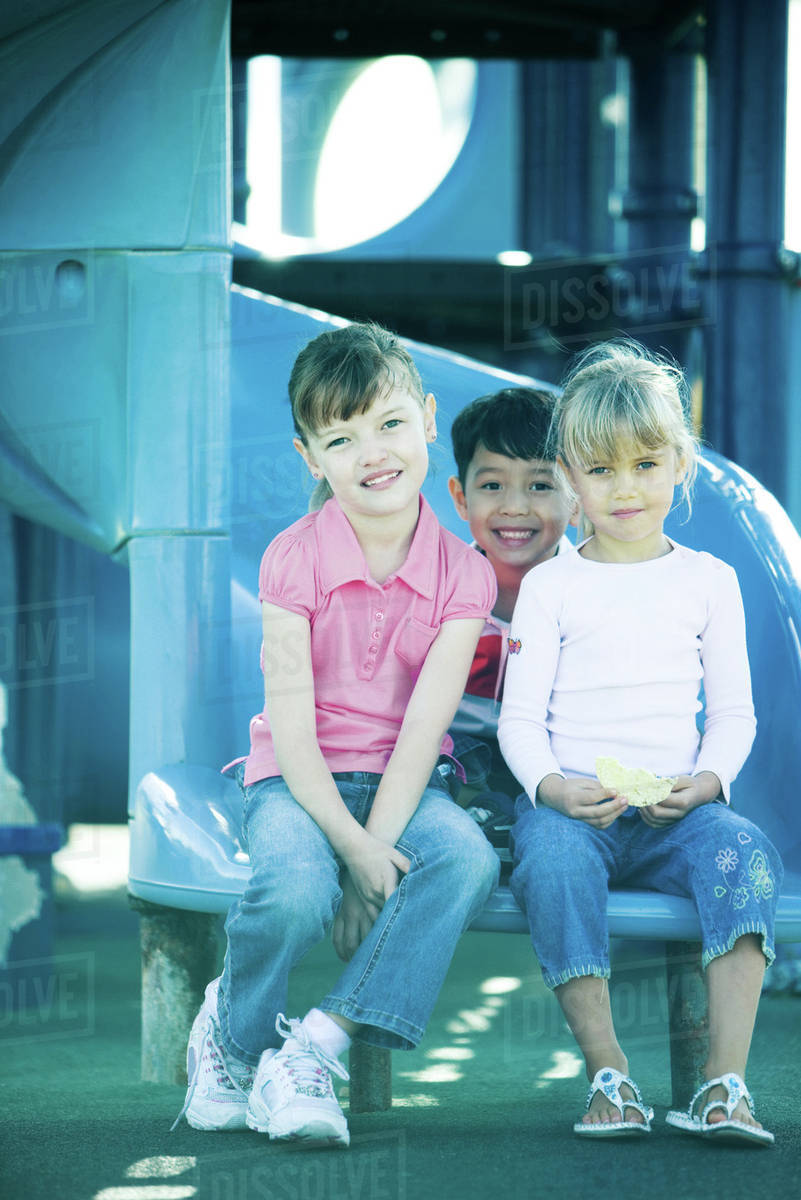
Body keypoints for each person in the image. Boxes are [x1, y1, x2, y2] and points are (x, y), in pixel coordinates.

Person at [174, 322, 500, 1146]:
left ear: (427, 418)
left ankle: (315, 1045)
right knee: (293, 887)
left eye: (390, 423)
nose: (373, 452)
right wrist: (354, 857)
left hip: (400, 782)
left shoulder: (464, 573)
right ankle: (234, 1036)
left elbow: (423, 730)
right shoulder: (293, 558)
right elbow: (290, 731)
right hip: (294, 777)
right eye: (340, 438)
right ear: (309, 456)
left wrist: (373, 852)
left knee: (466, 857)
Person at [498, 339, 783, 1145]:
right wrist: (551, 790)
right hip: (571, 810)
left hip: (676, 812)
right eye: (600, 469)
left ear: (679, 463)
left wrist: (707, 782)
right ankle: (609, 1076)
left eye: (644, 464)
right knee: (548, 864)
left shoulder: (707, 580)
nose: (624, 488)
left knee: (747, 855)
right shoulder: (551, 586)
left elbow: (733, 714)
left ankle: (722, 1086)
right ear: (569, 478)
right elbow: (520, 721)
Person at [446, 387, 576, 821]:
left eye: (541, 485)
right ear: (461, 498)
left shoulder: (595, 596)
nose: (515, 507)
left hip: (558, 756)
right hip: (455, 754)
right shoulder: (436, 592)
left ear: (576, 497)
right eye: (492, 485)